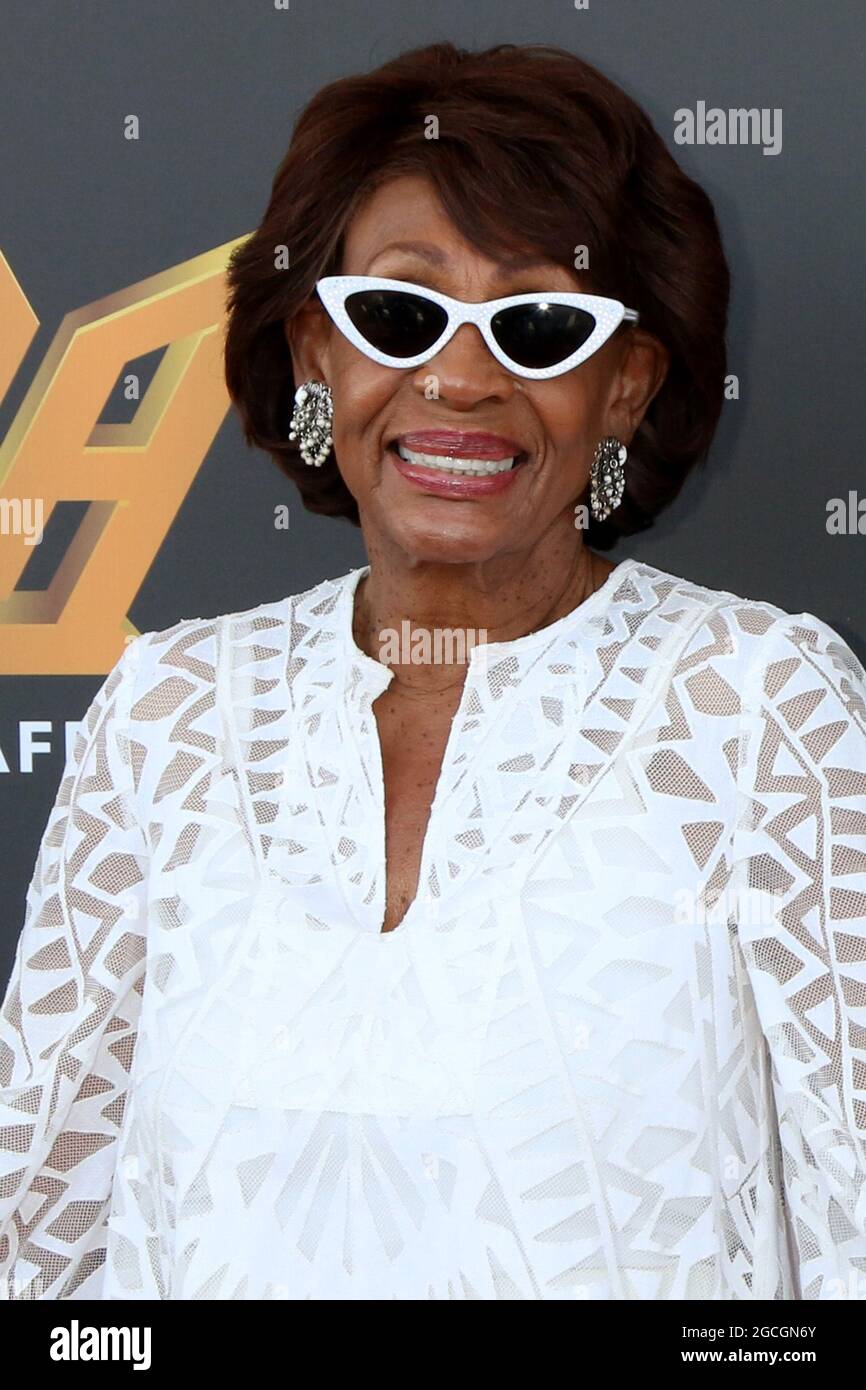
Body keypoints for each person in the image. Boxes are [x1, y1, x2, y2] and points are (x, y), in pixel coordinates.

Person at [2, 41, 865, 1302]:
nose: (460, 378)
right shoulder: (166, 712)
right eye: (399, 313)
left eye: (538, 325)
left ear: (624, 387)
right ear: (314, 353)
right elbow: (37, 1251)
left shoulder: (758, 711)